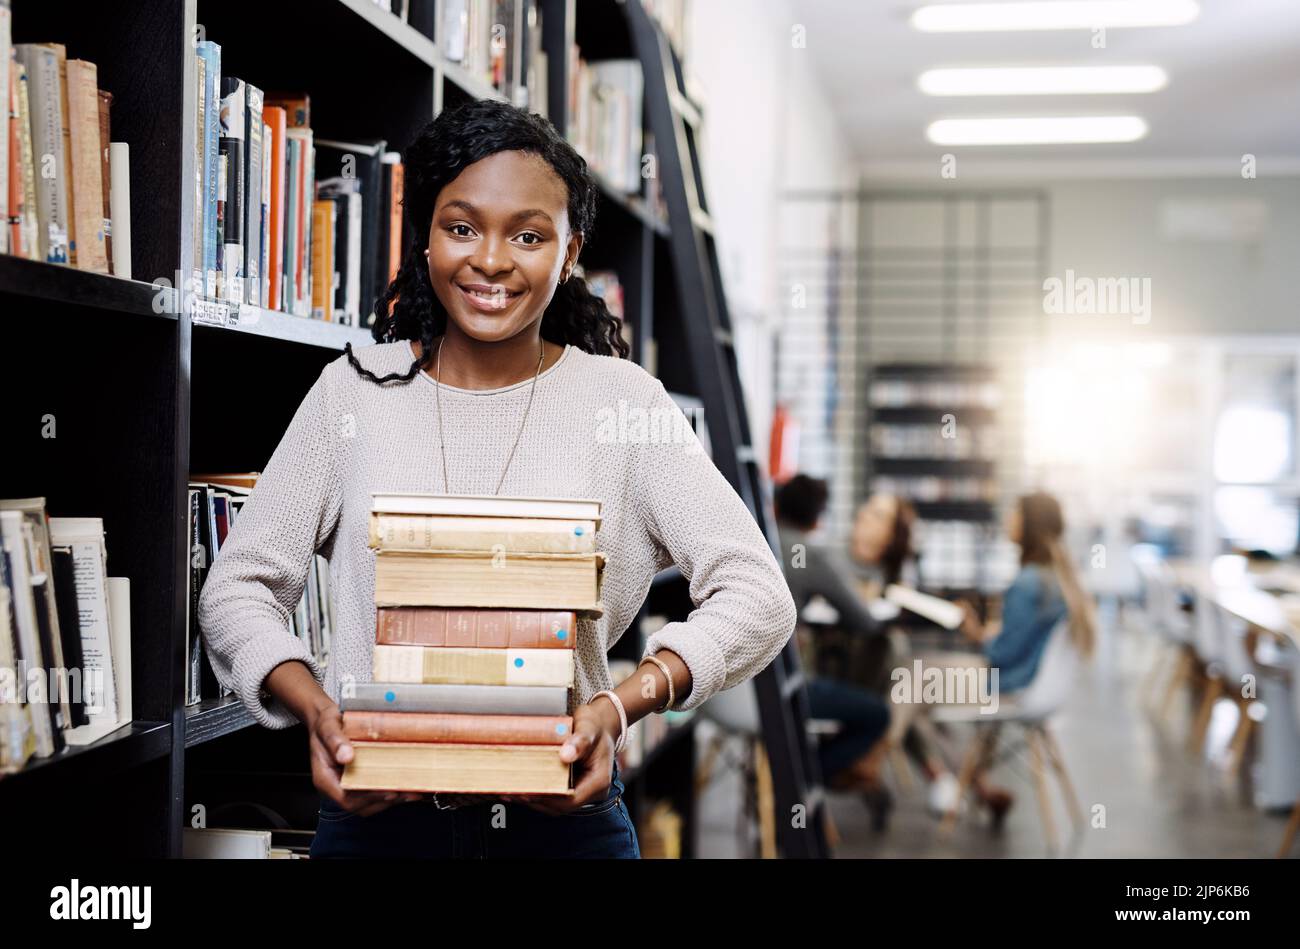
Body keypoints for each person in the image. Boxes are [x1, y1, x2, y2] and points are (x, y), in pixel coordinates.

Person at [196, 99, 798, 859]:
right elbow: (236, 589)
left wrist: (619, 707)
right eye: (461, 227)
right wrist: (316, 709)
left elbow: (759, 596)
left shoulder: (626, 405)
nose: (490, 260)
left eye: (528, 235)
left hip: (564, 825)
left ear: (569, 252)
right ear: (424, 237)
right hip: (377, 821)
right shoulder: (351, 392)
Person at [774, 475, 893, 829]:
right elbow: (863, 620)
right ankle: (808, 774)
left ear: (776, 507)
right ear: (817, 519)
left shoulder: (758, 539)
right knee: (877, 714)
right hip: (782, 691)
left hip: (723, 693)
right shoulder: (807, 553)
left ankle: (798, 771)